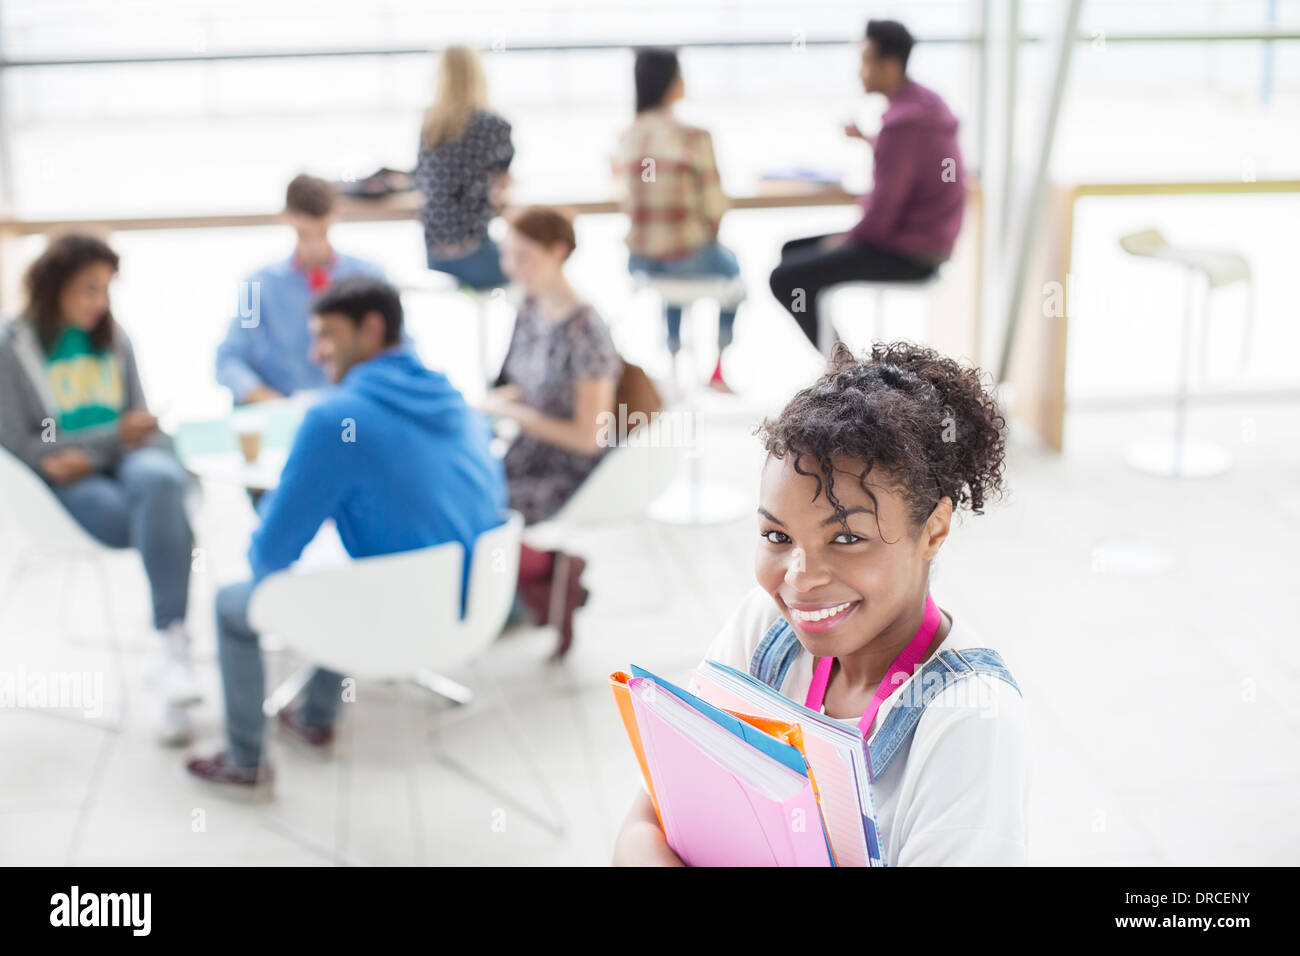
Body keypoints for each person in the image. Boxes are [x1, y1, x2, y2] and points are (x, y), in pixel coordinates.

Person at [613, 341, 1027, 866]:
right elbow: (643, 826)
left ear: (934, 530)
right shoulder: (764, 629)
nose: (801, 578)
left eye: (848, 538)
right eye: (778, 536)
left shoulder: (969, 720)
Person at [186, 276, 507, 796]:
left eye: (327, 336)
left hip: (395, 620)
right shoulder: (454, 398)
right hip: (474, 607)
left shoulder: (334, 419)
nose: (315, 353)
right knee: (348, 569)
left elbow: (271, 556)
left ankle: (245, 763)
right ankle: (315, 716)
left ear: (371, 328)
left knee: (233, 604)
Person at [0, 234, 200, 744]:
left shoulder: (114, 338)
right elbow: (22, 443)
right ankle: (172, 647)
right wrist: (110, 439)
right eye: (89, 288)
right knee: (150, 515)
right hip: (67, 483)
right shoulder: (13, 346)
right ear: (54, 285)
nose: (100, 302)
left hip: (116, 462)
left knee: (161, 480)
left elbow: (137, 424)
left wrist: (94, 449)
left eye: (107, 289)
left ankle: (171, 641)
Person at [769, 20, 967, 349]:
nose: (860, 72)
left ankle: (842, 368)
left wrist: (843, 240)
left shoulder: (902, 125)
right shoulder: (926, 106)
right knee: (792, 251)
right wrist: (870, 141)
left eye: (866, 61)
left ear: (889, 65)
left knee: (784, 277)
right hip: (932, 243)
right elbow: (910, 163)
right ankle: (842, 363)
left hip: (908, 252)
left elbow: (880, 219)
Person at [481, 206, 621, 658]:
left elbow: (589, 437)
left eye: (524, 257)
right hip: (530, 448)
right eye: (507, 255)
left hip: (570, 466)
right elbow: (513, 384)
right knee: (456, 490)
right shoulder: (530, 306)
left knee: (479, 507)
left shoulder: (586, 331)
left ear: (558, 252)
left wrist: (513, 413)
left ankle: (536, 582)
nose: (511, 268)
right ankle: (527, 588)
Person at [614, 47, 744, 391]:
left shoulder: (627, 137)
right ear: (672, 82)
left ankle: (673, 361)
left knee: (674, 264)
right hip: (684, 257)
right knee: (733, 271)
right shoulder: (693, 136)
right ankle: (717, 369)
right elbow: (715, 208)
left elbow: (627, 201)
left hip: (641, 262)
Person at [215, 173, 385, 405]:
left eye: (321, 232)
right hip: (283, 407)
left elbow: (398, 348)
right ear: (286, 219)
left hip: (353, 404)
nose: (313, 246)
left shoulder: (369, 279)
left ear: (335, 216)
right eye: (304, 233)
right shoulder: (257, 287)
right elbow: (231, 359)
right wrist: (271, 403)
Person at [414, 44, 515, 290]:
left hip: (435, 256)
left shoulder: (431, 123)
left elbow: (422, 177)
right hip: (475, 254)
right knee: (528, 269)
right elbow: (502, 186)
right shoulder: (493, 124)